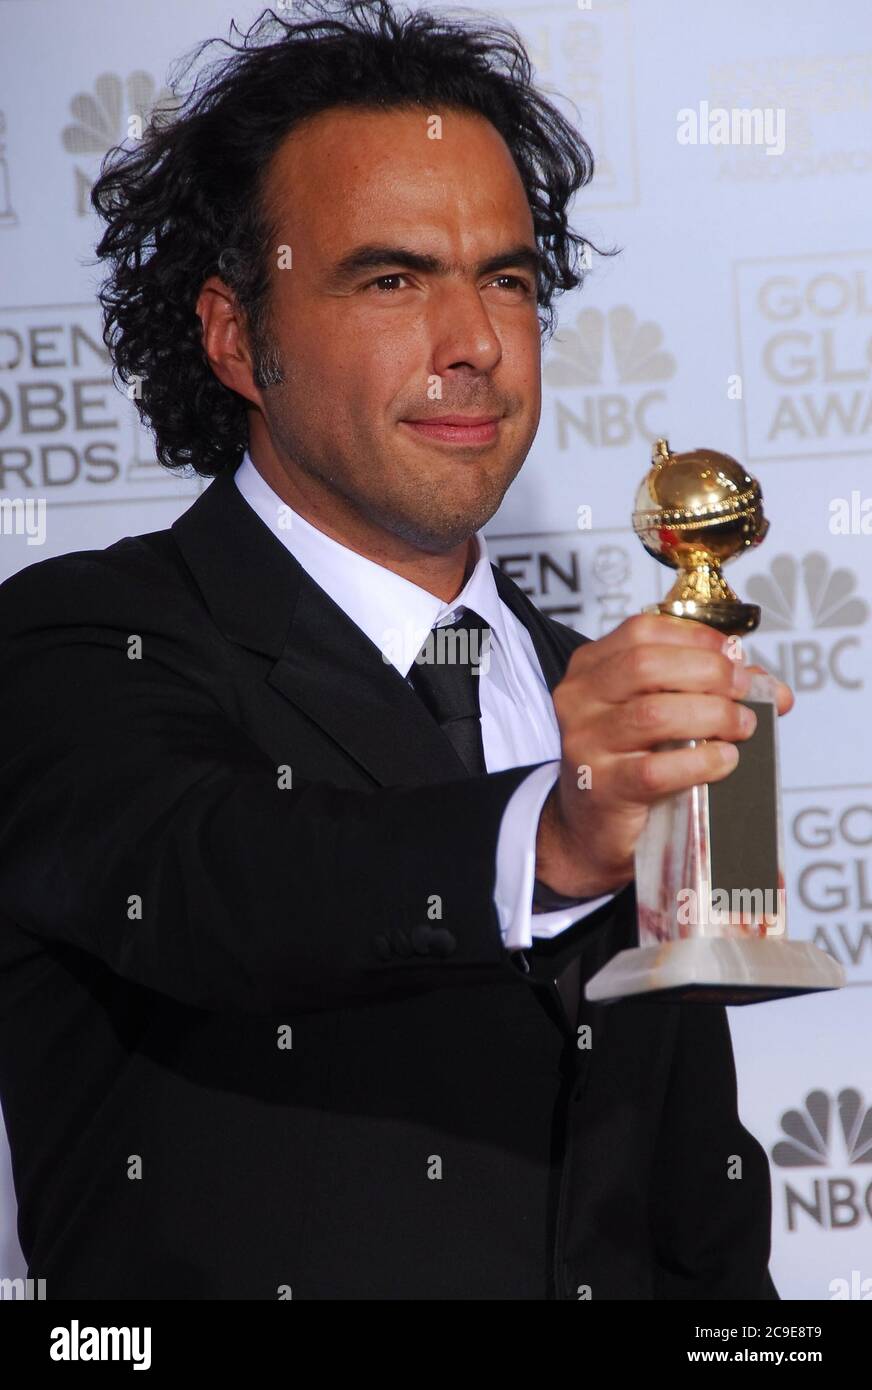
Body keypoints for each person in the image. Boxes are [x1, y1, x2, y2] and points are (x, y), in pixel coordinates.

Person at [0, 0, 788, 1299]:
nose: (474, 343)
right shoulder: (80, 647)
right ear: (234, 336)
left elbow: (696, 1222)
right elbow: (220, 878)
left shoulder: (606, 694)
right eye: (391, 277)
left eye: (508, 278)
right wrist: (544, 835)